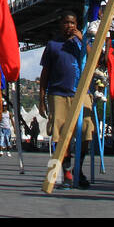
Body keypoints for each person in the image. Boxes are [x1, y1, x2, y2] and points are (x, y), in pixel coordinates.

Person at [39, 10, 89, 189]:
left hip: (80, 92)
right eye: (67, 23)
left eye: (73, 23)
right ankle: (61, 172)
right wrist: (41, 98)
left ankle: (78, 170)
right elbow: (45, 73)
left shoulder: (81, 43)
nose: (70, 26)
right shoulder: (53, 45)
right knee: (59, 135)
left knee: (86, 131)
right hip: (58, 93)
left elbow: (94, 60)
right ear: (61, 25)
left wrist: (83, 40)